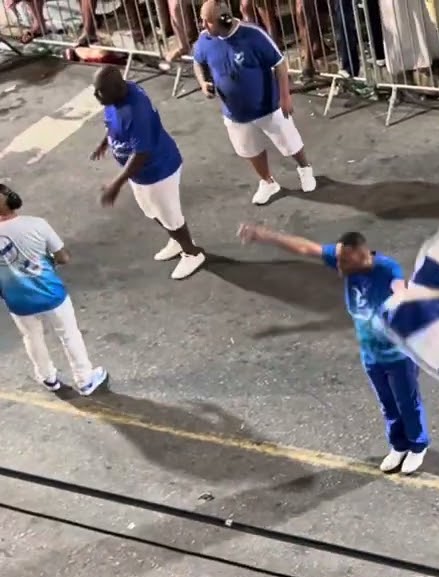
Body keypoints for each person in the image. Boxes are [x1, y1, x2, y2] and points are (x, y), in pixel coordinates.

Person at [237, 223, 430, 475]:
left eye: (344, 262)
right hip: (371, 353)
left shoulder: (387, 270)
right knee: (387, 402)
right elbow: (306, 248)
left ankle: (417, 445)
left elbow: (403, 294)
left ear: (362, 256)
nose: (338, 267)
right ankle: (399, 444)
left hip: (397, 354)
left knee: (407, 401)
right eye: (338, 260)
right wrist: (264, 236)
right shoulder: (347, 259)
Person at [192, 1, 317, 206]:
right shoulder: (205, 39)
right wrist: (203, 83)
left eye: (208, 22)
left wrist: (285, 97)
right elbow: (197, 61)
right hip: (234, 113)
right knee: (250, 150)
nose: (203, 26)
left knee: (290, 142)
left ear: (223, 20)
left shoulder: (253, 35)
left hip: (267, 107)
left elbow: (279, 64)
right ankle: (267, 182)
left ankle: (305, 169)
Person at [92, 66, 207, 281]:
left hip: (158, 170)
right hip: (140, 175)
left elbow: (142, 154)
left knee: (170, 215)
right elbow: (111, 123)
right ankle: (175, 240)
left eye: (100, 91)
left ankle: (192, 252)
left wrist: (115, 185)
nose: (96, 95)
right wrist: (104, 143)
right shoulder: (114, 98)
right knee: (151, 210)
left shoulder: (136, 111)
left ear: (117, 88)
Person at [0, 184, 109, 395]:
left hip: (18, 300)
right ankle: (85, 379)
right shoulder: (37, 225)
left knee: (32, 337)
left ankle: (47, 377)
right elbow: (63, 257)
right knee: (69, 335)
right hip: (52, 294)